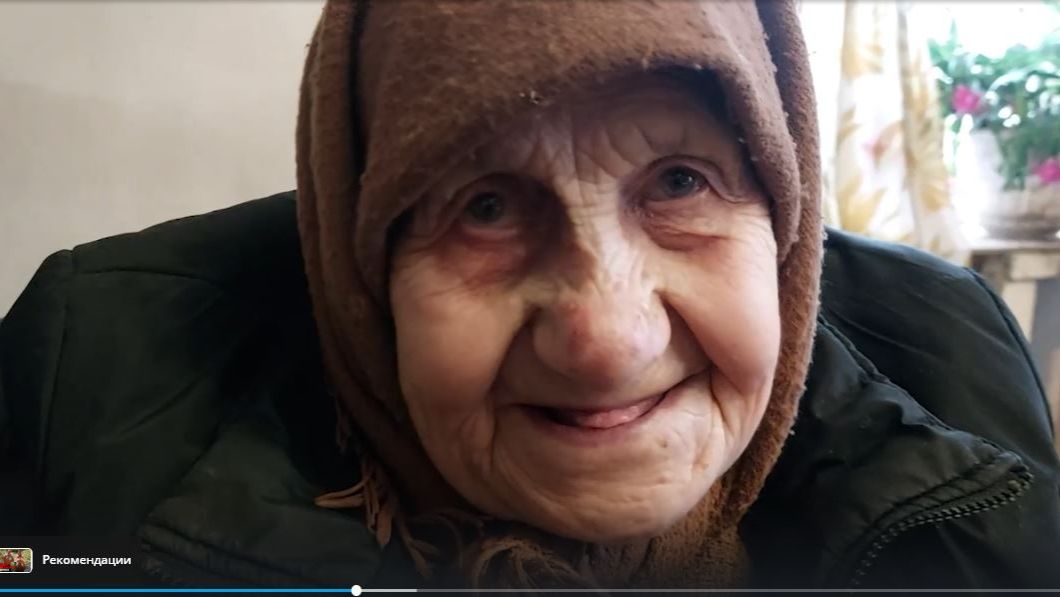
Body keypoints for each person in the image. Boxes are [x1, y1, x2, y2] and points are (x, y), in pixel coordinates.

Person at [1, 0, 1058, 590]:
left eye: (680, 184)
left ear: (782, 216)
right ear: (364, 267)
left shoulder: (954, 361)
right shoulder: (93, 400)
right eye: (486, 208)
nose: (606, 340)